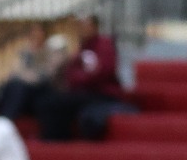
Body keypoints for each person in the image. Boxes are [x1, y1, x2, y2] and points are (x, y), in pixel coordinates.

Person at [37, 14, 127, 142]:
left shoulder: (104, 44)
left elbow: (102, 72)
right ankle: (55, 140)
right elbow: (70, 72)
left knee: (59, 103)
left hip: (102, 93)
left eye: (85, 25)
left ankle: (58, 142)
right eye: (80, 26)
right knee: (47, 102)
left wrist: (82, 78)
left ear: (94, 27)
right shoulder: (81, 47)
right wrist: (80, 77)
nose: (82, 29)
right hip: (83, 92)